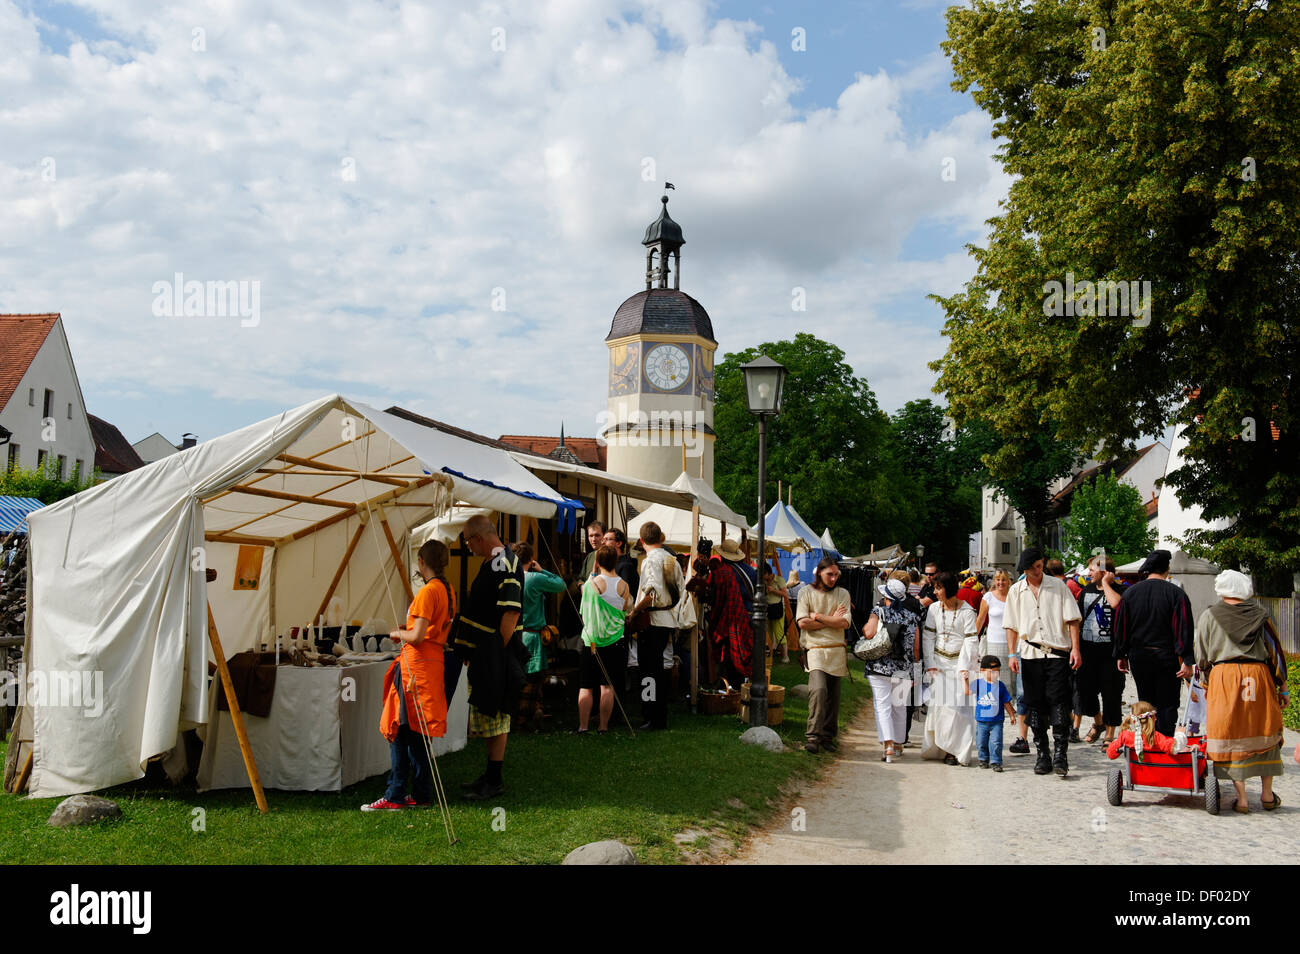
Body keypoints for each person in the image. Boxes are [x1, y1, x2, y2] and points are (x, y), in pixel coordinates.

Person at [364, 540, 456, 812]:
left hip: (415, 668)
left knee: (400, 730)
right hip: (431, 663)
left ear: (421, 562)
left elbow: (416, 636)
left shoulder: (429, 592)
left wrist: (397, 633)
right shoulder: (448, 590)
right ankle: (420, 793)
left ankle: (395, 794)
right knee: (416, 733)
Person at [1194, 569, 1287, 814]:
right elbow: (1275, 652)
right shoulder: (1260, 614)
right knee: (1264, 729)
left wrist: (1206, 682)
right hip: (1258, 675)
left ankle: (1243, 798)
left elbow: (1201, 654)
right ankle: (1267, 795)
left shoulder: (1209, 615)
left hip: (1224, 677)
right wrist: (1283, 687)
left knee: (1230, 731)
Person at [453, 514, 524, 801]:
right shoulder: (492, 560)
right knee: (487, 714)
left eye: (469, 541)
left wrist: (497, 652)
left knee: (495, 716)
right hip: (483, 652)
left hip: (493, 653)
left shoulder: (505, 562)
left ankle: (494, 780)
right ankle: (490, 774)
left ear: (479, 538)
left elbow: (511, 611)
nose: (468, 547)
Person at [1004, 547, 1082, 776]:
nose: (1037, 571)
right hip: (1030, 654)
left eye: (1039, 566)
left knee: (1059, 702)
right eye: (1032, 568)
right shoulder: (1016, 591)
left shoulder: (1058, 587)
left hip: (1057, 653)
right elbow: (1011, 625)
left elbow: (1073, 619)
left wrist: (1076, 649)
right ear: (1024, 570)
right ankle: (1042, 754)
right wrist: (1011, 654)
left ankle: (1060, 754)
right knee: (1034, 704)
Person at [1113, 549, 1195, 737]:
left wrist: (1120, 654)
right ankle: (1164, 742)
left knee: (1146, 701)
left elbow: (1122, 627)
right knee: (1167, 704)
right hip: (1167, 656)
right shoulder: (1176, 594)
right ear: (1167, 568)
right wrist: (1187, 659)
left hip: (1140, 656)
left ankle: (1148, 740)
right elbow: (1183, 629)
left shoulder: (1130, 594)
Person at [922, 571, 979, 766]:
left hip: (959, 666)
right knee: (941, 708)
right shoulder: (934, 610)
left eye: (939, 588)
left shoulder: (967, 612)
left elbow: (971, 641)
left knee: (958, 709)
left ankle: (955, 751)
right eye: (935, 588)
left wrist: (964, 667)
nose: (935, 592)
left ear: (950, 589)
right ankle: (943, 748)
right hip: (938, 664)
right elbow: (928, 637)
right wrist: (930, 663)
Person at [796, 556, 851, 753]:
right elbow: (802, 622)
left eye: (836, 574)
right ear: (820, 573)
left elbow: (844, 622)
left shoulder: (842, 593)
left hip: (836, 650)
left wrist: (817, 616)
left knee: (833, 697)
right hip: (815, 649)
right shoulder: (805, 592)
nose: (833, 578)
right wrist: (831, 619)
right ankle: (813, 736)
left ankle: (827, 736)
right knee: (818, 691)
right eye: (830, 574)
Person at [862, 578, 921, 762]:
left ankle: (887, 745)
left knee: (883, 706)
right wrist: (915, 668)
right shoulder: (912, 617)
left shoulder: (878, 612)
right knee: (900, 707)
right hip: (903, 669)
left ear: (885, 596)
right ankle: (898, 744)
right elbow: (916, 647)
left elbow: (868, 633)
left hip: (879, 667)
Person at [632, 521, 682, 730]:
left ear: (642, 540)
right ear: (660, 538)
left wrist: (634, 612)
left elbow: (651, 594)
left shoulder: (650, 561)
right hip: (667, 619)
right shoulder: (673, 560)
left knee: (648, 672)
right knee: (659, 671)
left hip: (651, 620)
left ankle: (650, 716)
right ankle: (659, 716)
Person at [577, 545, 630, 734]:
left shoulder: (590, 585)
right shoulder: (624, 586)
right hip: (614, 640)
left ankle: (583, 726)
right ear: (616, 561)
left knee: (586, 686)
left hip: (592, 641)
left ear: (597, 562)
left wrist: (592, 572)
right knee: (607, 686)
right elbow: (623, 609)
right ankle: (603, 726)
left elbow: (583, 606)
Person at [1075, 555, 1124, 745]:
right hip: (1088, 651)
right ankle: (1099, 722)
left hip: (1111, 653)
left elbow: (1116, 605)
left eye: (1092, 570)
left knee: (1111, 694)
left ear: (1104, 572)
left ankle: (1110, 734)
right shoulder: (1085, 591)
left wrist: (1107, 584)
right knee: (1085, 692)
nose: (1088, 573)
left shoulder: (1120, 590)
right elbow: (1077, 619)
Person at [513, 542, 566, 678]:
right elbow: (561, 584)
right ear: (531, 559)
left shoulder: (508, 578)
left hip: (513, 637)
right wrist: (542, 570)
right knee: (533, 686)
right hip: (532, 639)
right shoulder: (535, 578)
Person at [970, 655, 1015, 771]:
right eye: (993, 672)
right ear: (982, 671)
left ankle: (996, 761)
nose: (996, 674)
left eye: (998, 671)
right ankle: (983, 759)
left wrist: (1011, 715)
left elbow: (1006, 702)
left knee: (996, 742)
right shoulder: (978, 684)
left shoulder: (1000, 686)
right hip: (982, 721)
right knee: (981, 742)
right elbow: (967, 692)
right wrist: (965, 679)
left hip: (997, 722)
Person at [762, 561, 790, 666]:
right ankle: (770, 655)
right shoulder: (763, 581)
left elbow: (785, 595)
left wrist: (774, 590)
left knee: (779, 633)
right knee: (768, 633)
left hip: (777, 609)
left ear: (768, 573)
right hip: (767, 608)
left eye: (764, 575)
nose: (764, 578)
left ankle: (785, 656)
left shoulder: (779, 580)